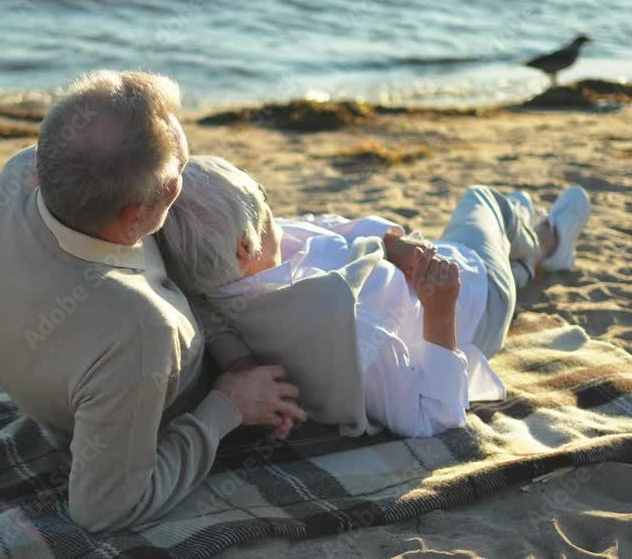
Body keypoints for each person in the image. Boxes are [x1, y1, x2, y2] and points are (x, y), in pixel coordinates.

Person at [0, 71, 308, 533]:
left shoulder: (23, 171)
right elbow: (102, 510)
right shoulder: (139, 329)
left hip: (25, 362)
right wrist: (227, 406)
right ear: (135, 219)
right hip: (127, 402)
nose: (182, 179)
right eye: (176, 180)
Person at [157, 156, 590, 438]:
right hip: (476, 295)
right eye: (267, 211)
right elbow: (435, 416)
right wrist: (441, 311)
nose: (278, 217)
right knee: (484, 201)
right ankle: (544, 238)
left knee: (503, 244)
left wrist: (388, 242)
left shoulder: (236, 270)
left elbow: (321, 223)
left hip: (424, 265)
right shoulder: (347, 323)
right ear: (245, 247)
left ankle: (527, 254)